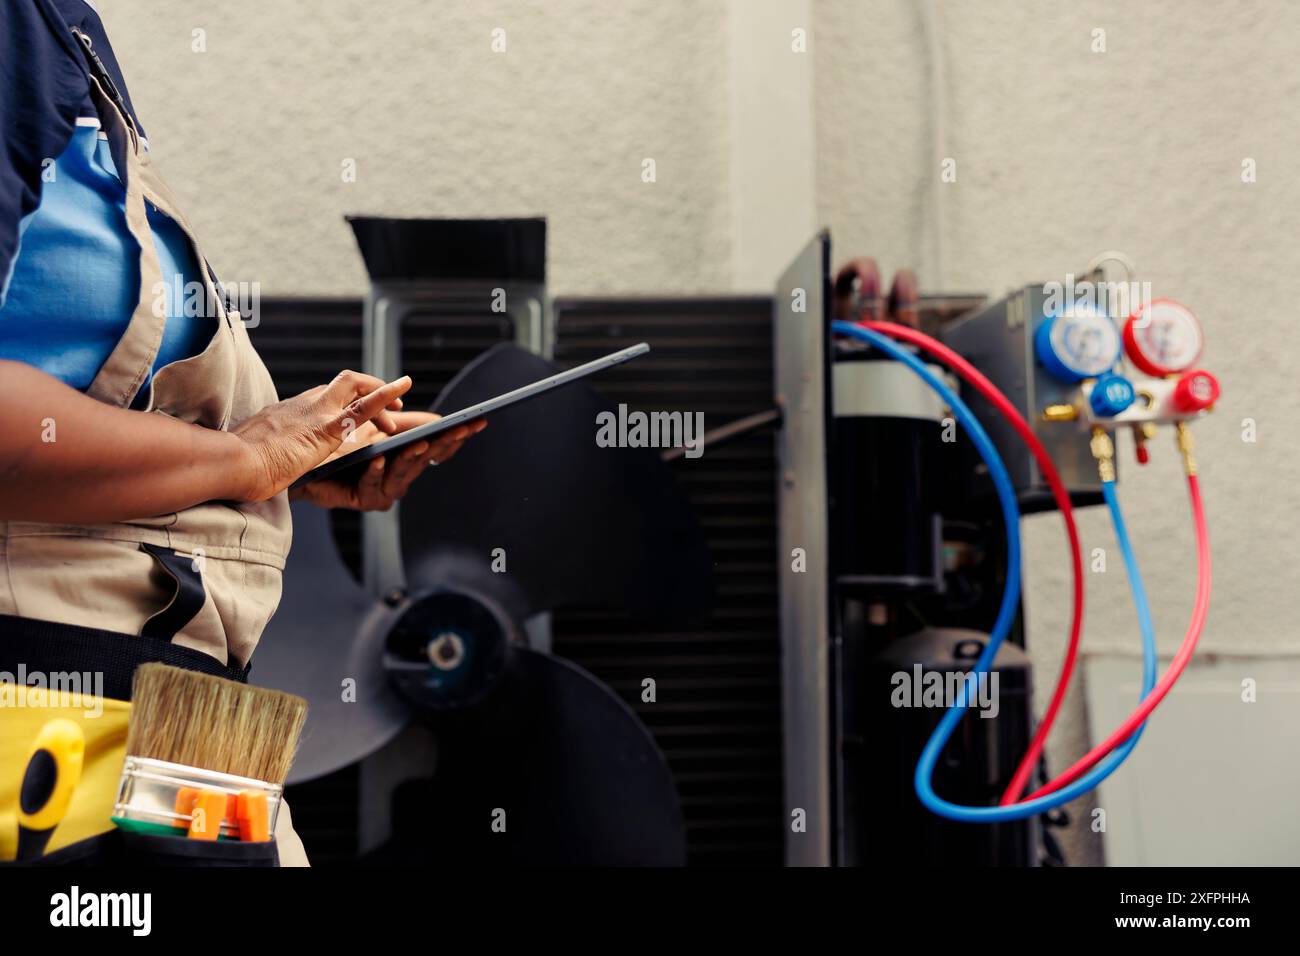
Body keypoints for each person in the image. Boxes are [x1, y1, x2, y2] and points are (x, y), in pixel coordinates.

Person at [0, 0, 483, 865]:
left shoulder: (58, 30)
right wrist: (243, 457)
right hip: (54, 699)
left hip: (188, 710)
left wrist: (282, 464)